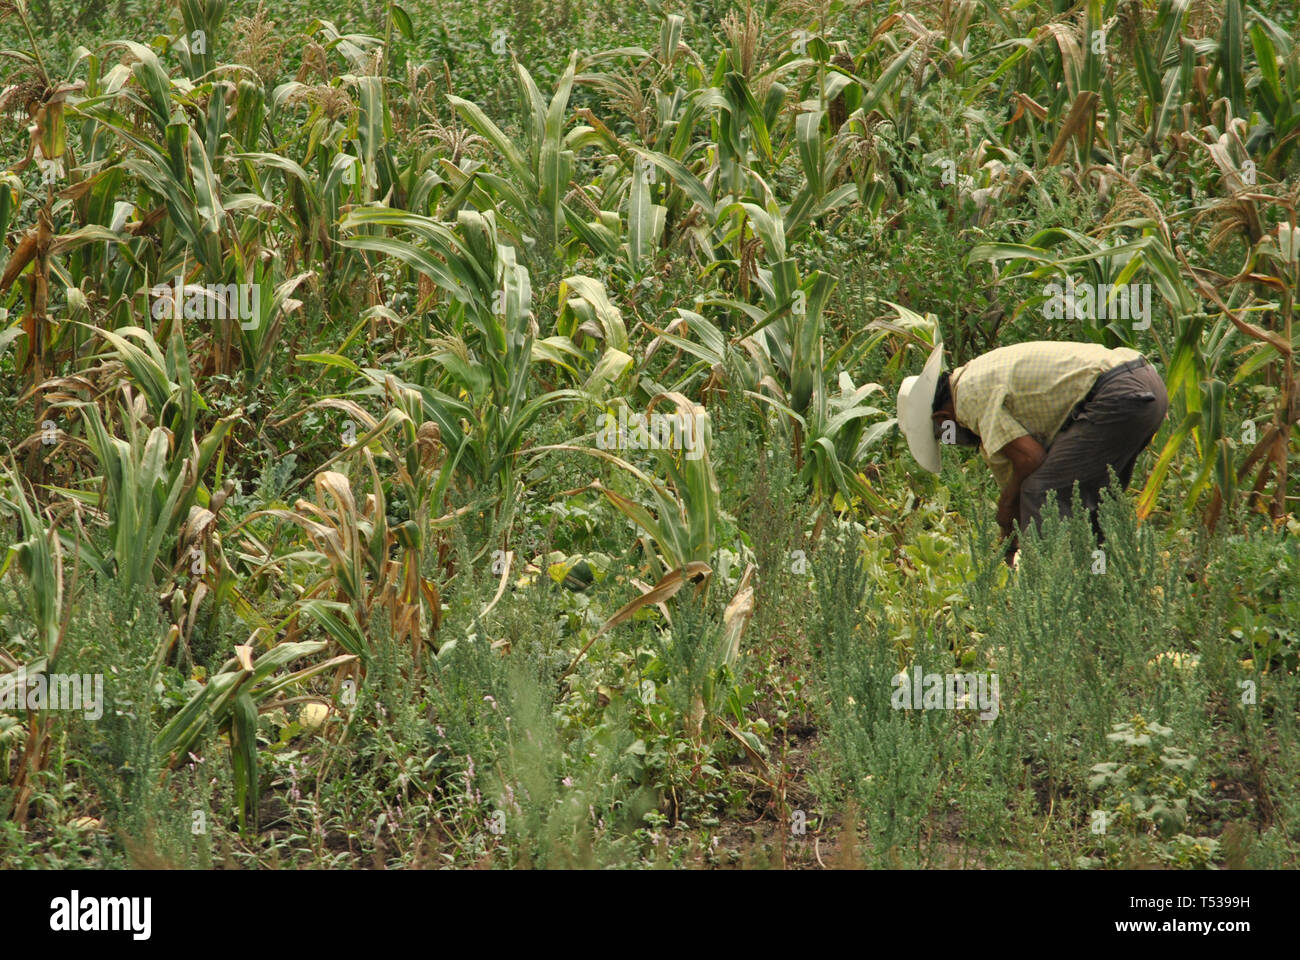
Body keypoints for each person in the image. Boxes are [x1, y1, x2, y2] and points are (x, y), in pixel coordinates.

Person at [896, 340, 1168, 557]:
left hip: (1118, 396)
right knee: (1094, 506)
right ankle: (1101, 585)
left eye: (944, 437)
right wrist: (1009, 524)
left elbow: (1030, 460)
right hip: (1145, 385)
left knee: (1041, 492)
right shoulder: (975, 373)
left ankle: (1049, 600)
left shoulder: (968, 395)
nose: (951, 441)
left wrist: (1008, 504)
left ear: (942, 420)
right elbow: (1033, 462)